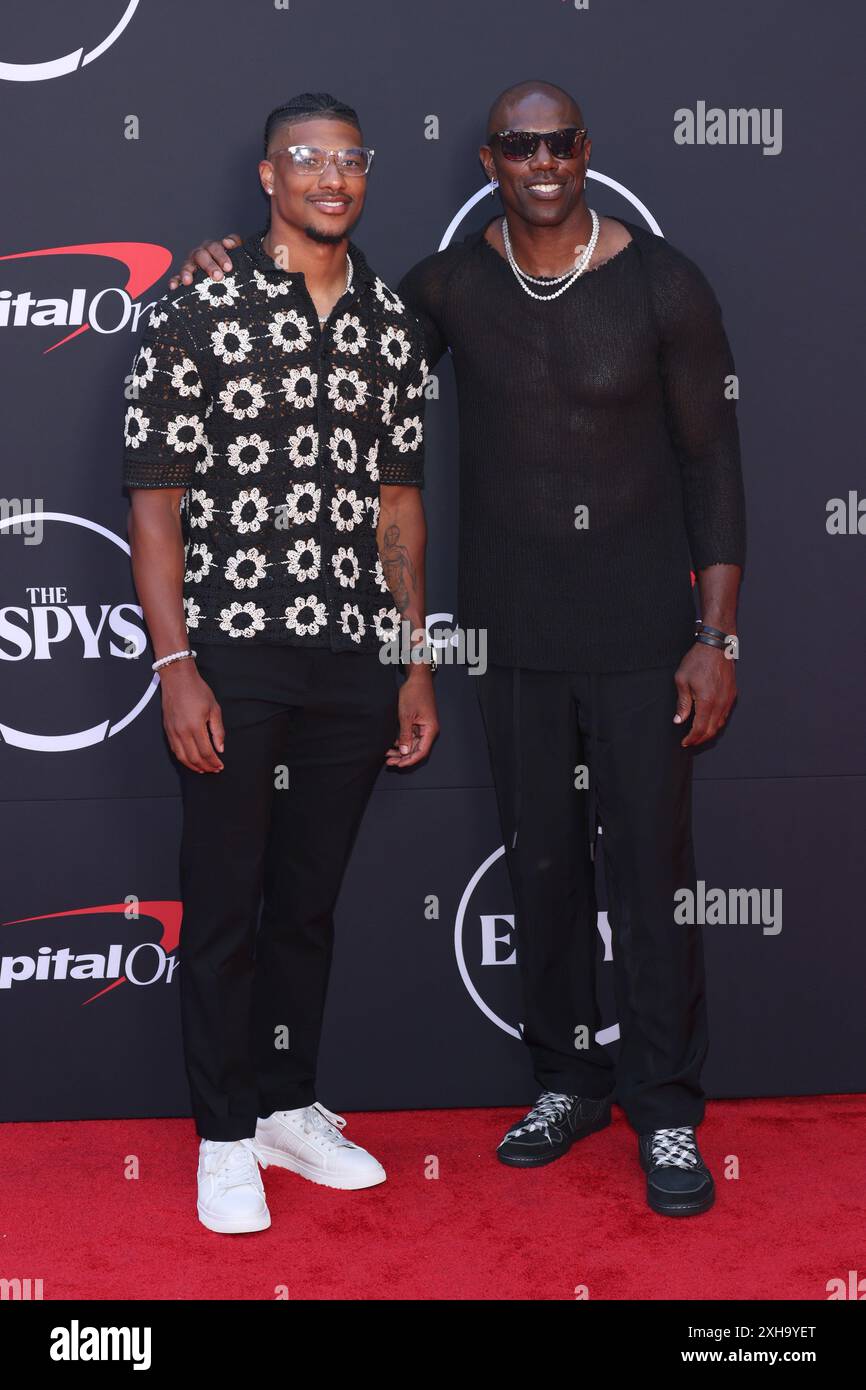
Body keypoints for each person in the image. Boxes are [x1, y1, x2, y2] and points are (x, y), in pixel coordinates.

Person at [171, 79, 746, 1218]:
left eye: (560, 142)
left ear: (586, 151)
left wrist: (713, 634)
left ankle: (666, 1109)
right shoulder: (442, 290)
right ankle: (565, 1083)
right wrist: (223, 265)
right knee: (539, 871)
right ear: (487, 158)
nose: (541, 160)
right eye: (519, 145)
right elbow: (332, 321)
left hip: (640, 639)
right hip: (517, 641)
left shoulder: (663, 284)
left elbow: (712, 467)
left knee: (647, 872)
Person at [123, 92, 437, 1234]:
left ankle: (284, 1105)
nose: (330, 176)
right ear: (267, 176)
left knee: (305, 905)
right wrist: (176, 665)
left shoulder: (391, 323)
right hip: (234, 651)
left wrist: (410, 662)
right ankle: (219, 1138)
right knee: (222, 908)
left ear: (364, 175)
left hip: (353, 654)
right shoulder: (199, 303)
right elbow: (152, 504)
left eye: (348, 159)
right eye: (306, 158)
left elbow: (398, 504)